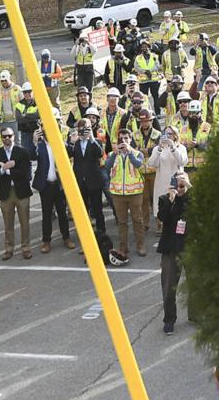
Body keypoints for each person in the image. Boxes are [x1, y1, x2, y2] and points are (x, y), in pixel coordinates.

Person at [156, 173, 191, 335]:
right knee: (169, 287)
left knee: (196, 284)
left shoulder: (192, 199)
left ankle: (196, 314)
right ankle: (169, 319)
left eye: (183, 184)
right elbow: (162, 217)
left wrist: (188, 193)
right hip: (170, 248)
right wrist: (171, 199)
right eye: (177, 184)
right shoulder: (165, 199)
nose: (180, 187)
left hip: (190, 247)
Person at [0, 127, 34, 261]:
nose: (7, 139)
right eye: (4, 136)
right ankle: (9, 249)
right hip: (6, 193)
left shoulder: (22, 152)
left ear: (14, 136)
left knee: (24, 222)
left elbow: (27, 174)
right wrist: (4, 168)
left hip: (21, 191)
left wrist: (8, 170)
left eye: (9, 136)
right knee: (8, 224)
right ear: (1, 138)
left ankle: (26, 248)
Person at [32, 123, 74, 253]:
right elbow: (32, 156)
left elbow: (71, 152)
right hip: (46, 185)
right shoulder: (39, 145)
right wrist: (34, 141)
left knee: (62, 212)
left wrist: (70, 141)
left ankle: (66, 238)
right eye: (46, 131)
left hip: (59, 184)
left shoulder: (60, 144)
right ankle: (46, 241)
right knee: (47, 214)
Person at [106, 129, 148, 259]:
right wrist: (115, 153)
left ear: (130, 139)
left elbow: (138, 165)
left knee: (137, 220)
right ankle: (123, 247)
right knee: (122, 222)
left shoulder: (137, 153)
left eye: (126, 138)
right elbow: (107, 166)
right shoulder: (113, 154)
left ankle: (140, 245)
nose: (123, 141)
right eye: (120, 139)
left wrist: (129, 152)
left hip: (135, 193)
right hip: (118, 194)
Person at [71, 120, 107, 236]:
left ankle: (101, 233)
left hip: (94, 181)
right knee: (83, 210)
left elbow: (100, 154)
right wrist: (71, 141)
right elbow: (68, 154)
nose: (83, 131)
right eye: (81, 129)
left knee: (97, 209)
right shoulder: (75, 144)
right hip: (81, 182)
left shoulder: (95, 141)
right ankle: (86, 234)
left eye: (85, 128)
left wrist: (91, 138)